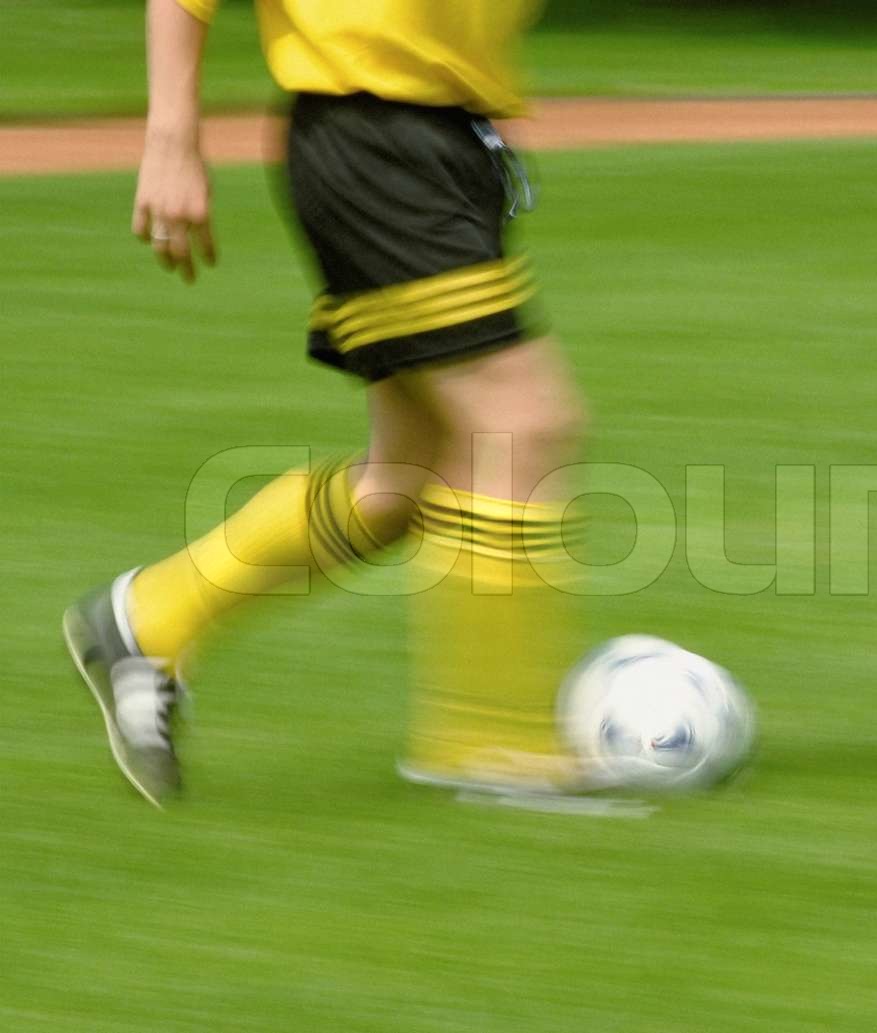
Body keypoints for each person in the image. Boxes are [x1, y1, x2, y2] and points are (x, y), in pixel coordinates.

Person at [63, 0, 589, 807]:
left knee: (406, 482)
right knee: (522, 424)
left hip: (448, 142)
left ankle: (148, 617)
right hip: (374, 137)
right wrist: (172, 137)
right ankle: (492, 745)